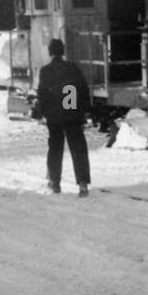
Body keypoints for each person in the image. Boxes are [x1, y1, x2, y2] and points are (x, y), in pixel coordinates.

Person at [33, 38, 92, 196]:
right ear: (63, 52)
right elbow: (83, 89)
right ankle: (83, 183)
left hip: (55, 115)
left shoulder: (45, 71)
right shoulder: (72, 68)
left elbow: (43, 94)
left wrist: (41, 112)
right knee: (78, 148)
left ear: (50, 52)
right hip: (71, 112)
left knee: (55, 148)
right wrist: (84, 110)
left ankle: (54, 183)